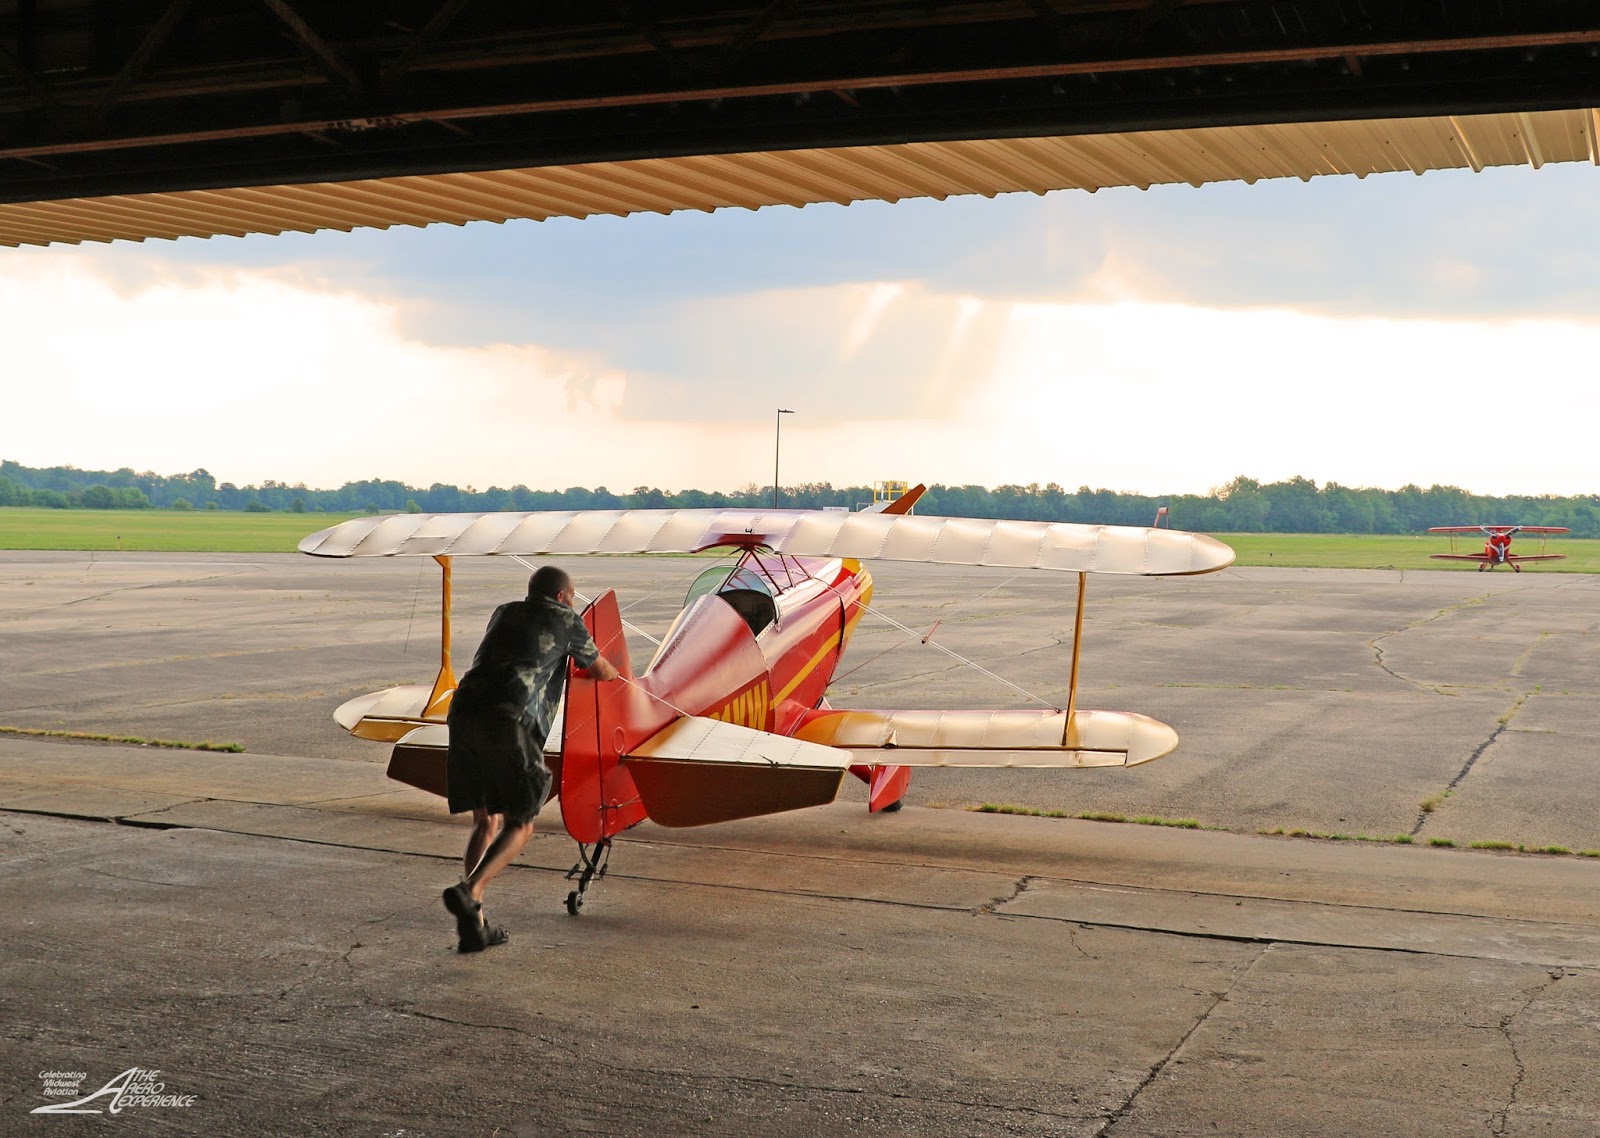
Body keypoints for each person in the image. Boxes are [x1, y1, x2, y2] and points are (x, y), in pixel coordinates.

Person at [441, 565, 619, 952]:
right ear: (561, 597)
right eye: (572, 597)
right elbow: (598, 668)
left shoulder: (504, 611)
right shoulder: (566, 618)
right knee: (521, 822)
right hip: (510, 718)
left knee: (486, 821)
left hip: (463, 711)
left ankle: (475, 925)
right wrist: (616, 674)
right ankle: (471, 890)